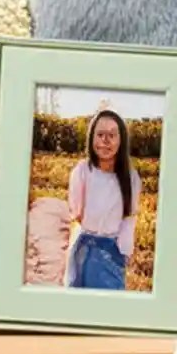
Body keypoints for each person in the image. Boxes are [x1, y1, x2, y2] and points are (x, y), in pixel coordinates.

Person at [63, 109, 142, 290]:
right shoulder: (82, 171)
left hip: (112, 250)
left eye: (112, 135)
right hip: (83, 246)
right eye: (100, 135)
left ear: (121, 140)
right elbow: (76, 213)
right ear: (92, 139)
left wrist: (123, 253)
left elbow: (129, 219)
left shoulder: (130, 178)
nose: (105, 141)